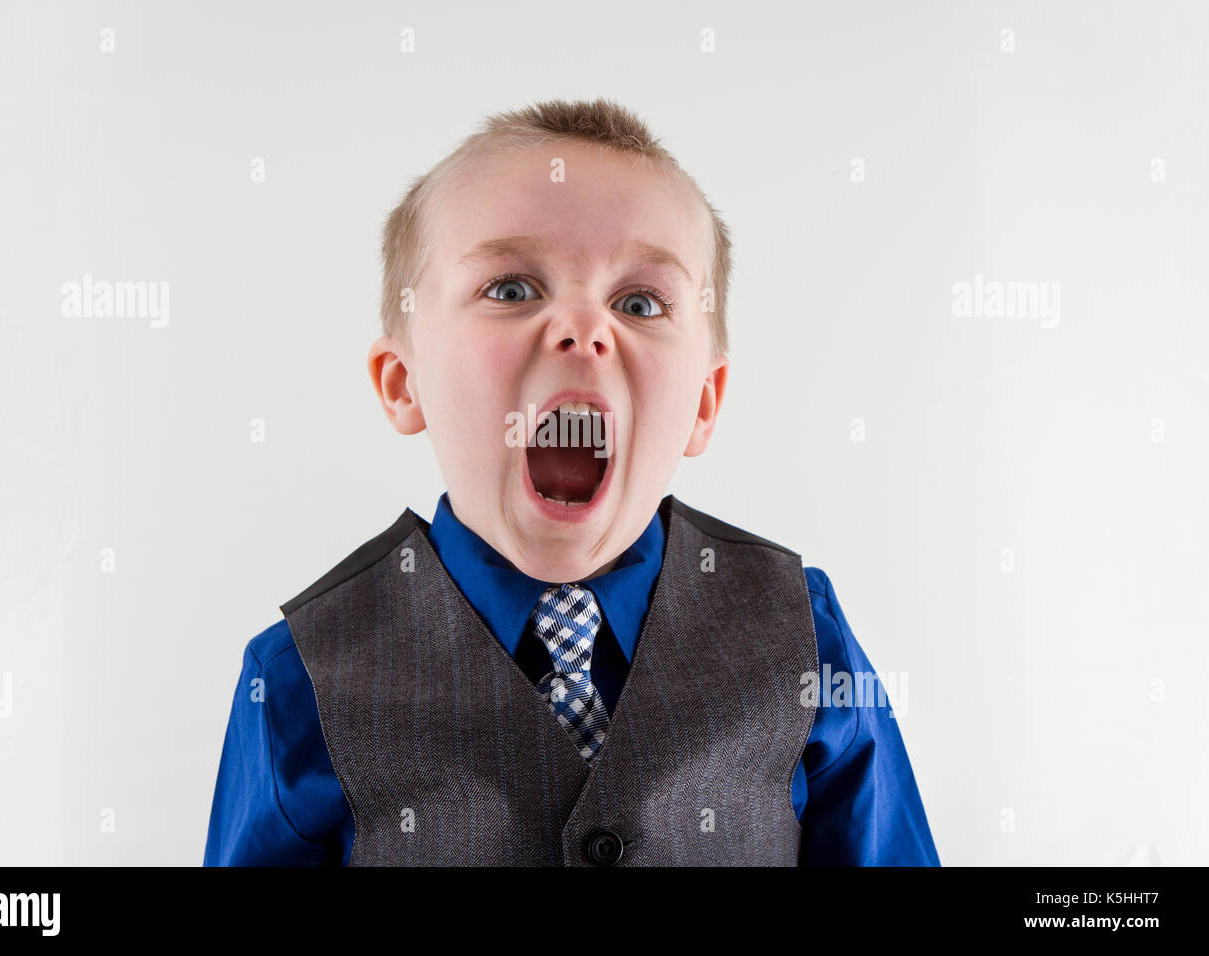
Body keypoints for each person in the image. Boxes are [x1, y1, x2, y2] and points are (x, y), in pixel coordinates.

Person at [204, 97, 940, 866]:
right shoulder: (299, 676)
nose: (583, 329)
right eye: (513, 289)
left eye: (640, 302)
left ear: (703, 405)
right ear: (403, 382)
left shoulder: (804, 636)